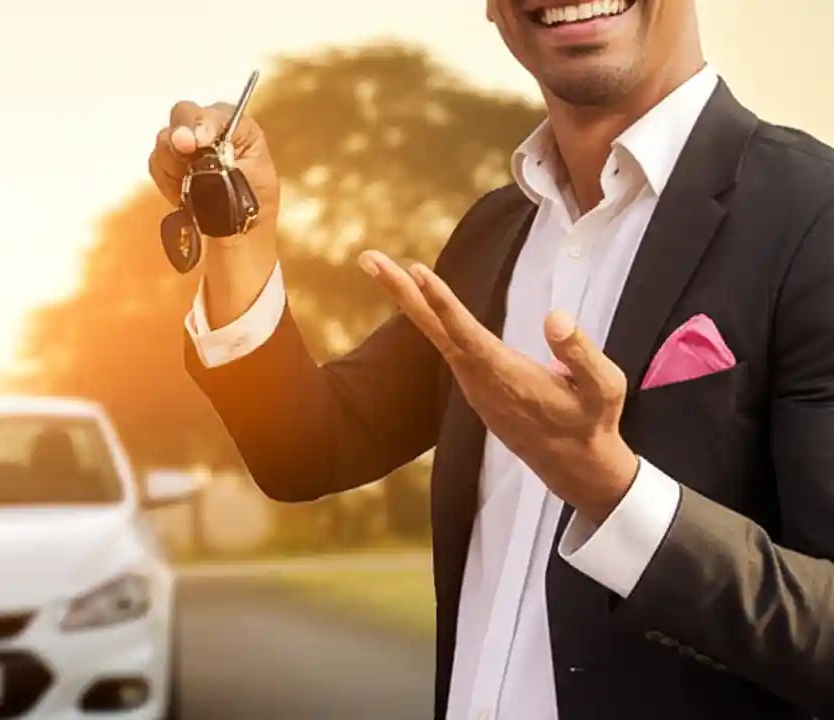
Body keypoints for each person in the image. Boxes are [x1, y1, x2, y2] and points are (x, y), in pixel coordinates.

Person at [147, 1, 834, 718]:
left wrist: (615, 493)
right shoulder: (493, 235)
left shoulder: (814, 219)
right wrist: (237, 234)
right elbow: (306, 448)